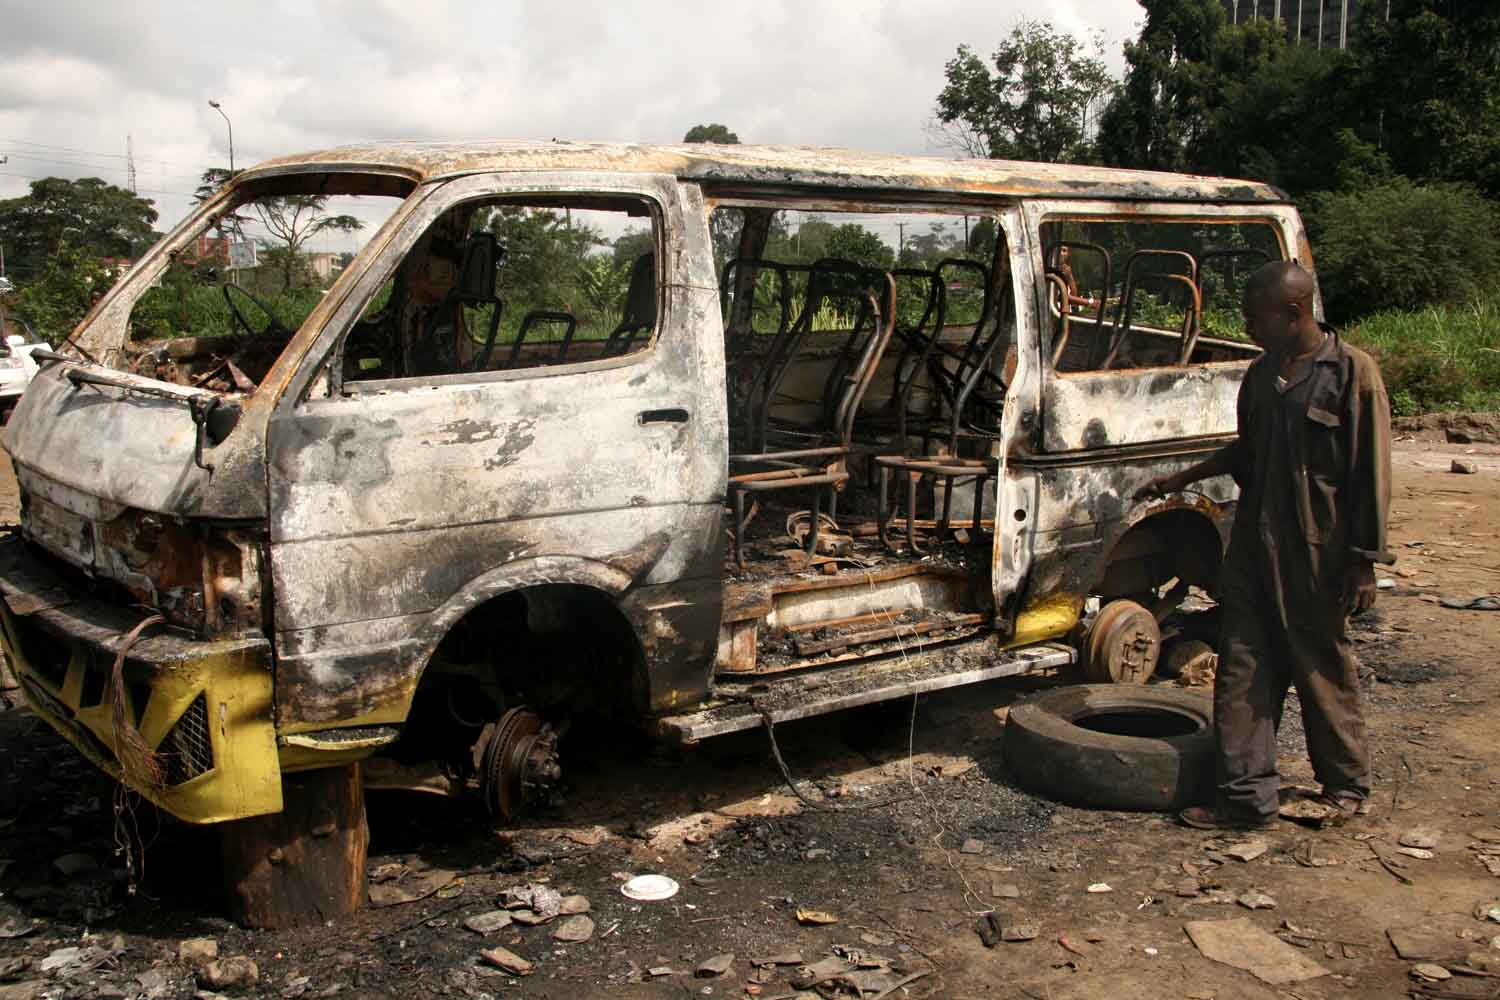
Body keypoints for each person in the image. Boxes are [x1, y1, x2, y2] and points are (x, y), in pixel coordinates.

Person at [1136, 261, 1393, 830]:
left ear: (1294, 312)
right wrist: (1178, 479)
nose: (1249, 327)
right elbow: (1245, 452)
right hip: (1254, 549)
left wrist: (1364, 563)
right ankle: (1246, 798)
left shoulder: (1353, 374)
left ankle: (1345, 788)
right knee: (1243, 671)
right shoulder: (1260, 375)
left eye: (1257, 317)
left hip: (1318, 554)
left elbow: (1370, 473)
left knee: (1320, 668)